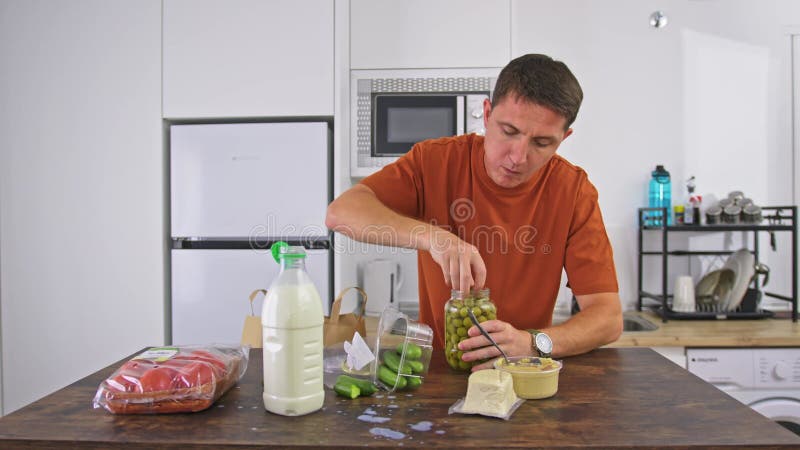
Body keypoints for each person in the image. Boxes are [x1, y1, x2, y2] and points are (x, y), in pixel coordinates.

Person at [326, 54, 622, 370]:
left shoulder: (574, 191)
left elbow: (608, 317)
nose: (518, 157)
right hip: (439, 375)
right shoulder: (433, 163)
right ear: (486, 113)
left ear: (564, 139)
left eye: (542, 142)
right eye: (509, 131)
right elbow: (341, 213)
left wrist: (531, 343)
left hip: (524, 373)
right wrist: (433, 237)